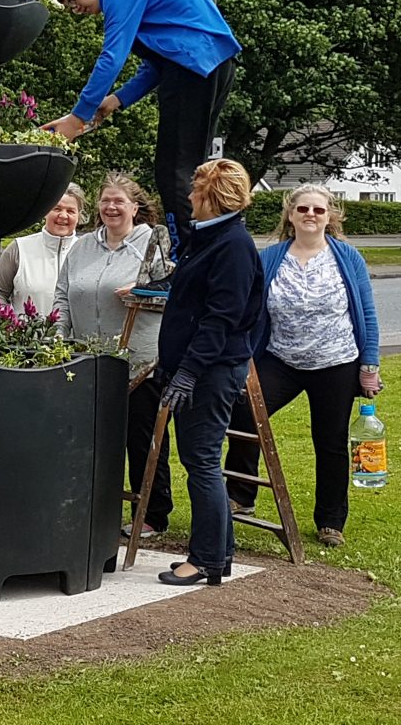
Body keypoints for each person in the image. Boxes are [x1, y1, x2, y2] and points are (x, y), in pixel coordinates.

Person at [42, 0, 242, 264]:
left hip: (193, 67)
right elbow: (155, 66)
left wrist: (77, 118)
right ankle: (207, 251)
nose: (76, 9)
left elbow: (112, 56)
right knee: (193, 169)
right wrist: (114, 101)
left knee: (173, 170)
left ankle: (184, 260)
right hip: (210, 64)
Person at [224, 184, 382, 548]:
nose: (311, 215)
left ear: (330, 217)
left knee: (330, 442)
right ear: (291, 215)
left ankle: (330, 521)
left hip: (337, 362)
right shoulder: (271, 257)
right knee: (244, 412)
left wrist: (369, 365)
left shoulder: (347, 257)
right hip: (281, 358)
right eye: (303, 210)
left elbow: (367, 314)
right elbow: (249, 308)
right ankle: (242, 496)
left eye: (318, 210)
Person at [155, 159, 262, 586]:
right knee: (200, 460)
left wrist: (188, 372)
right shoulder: (212, 238)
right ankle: (220, 553)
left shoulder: (232, 244)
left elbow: (221, 317)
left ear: (211, 197)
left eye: (197, 191)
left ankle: (205, 559)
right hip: (203, 366)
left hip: (212, 370)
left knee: (200, 460)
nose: (189, 198)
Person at [53, 172, 174, 539]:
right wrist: (59, 338)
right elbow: (62, 295)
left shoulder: (153, 242)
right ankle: (98, 508)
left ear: (135, 207)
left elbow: (175, 292)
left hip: (141, 360)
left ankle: (152, 513)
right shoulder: (83, 247)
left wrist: (143, 294)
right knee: (96, 440)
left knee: (141, 439)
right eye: (106, 200)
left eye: (119, 201)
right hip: (88, 359)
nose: (111, 207)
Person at [0, 183, 87, 315]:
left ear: (78, 216)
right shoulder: (19, 248)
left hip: (75, 336)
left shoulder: (87, 251)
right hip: (28, 335)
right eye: (57, 209)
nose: (63, 216)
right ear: (45, 211)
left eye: (70, 211)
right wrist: (10, 323)